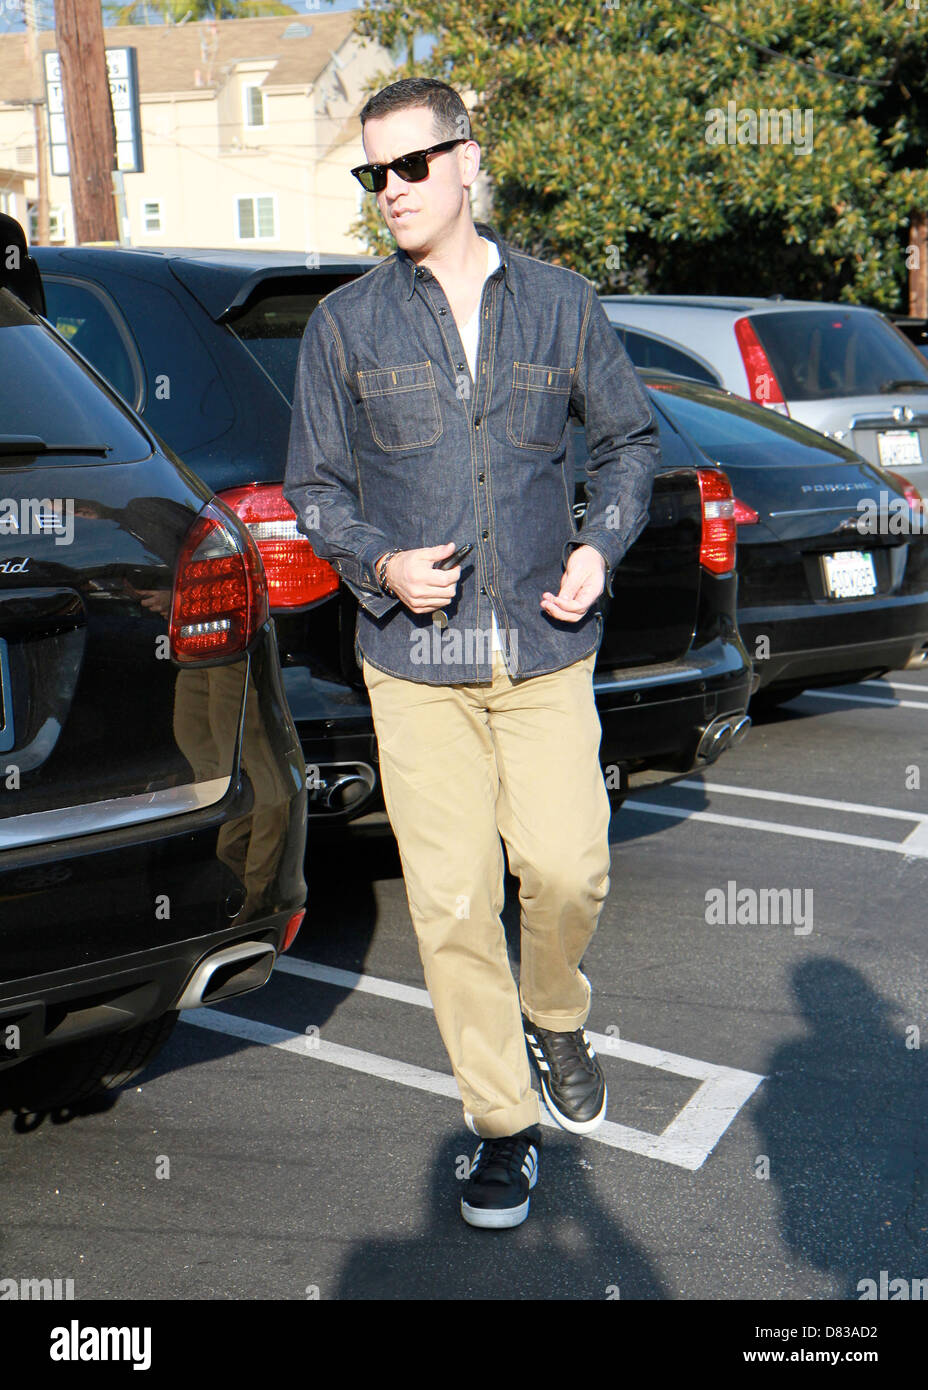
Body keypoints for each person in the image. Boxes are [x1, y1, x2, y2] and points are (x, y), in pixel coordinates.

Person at [283, 77, 661, 1229]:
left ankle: (555, 1011)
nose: (388, 193)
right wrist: (379, 565)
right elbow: (314, 487)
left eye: (408, 168)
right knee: (450, 905)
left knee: (566, 869)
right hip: (414, 666)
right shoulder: (343, 324)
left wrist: (601, 546)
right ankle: (502, 1125)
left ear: (463, 162)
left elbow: (630, 439)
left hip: (544, 649)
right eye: (372, 176)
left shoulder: (562, 305)